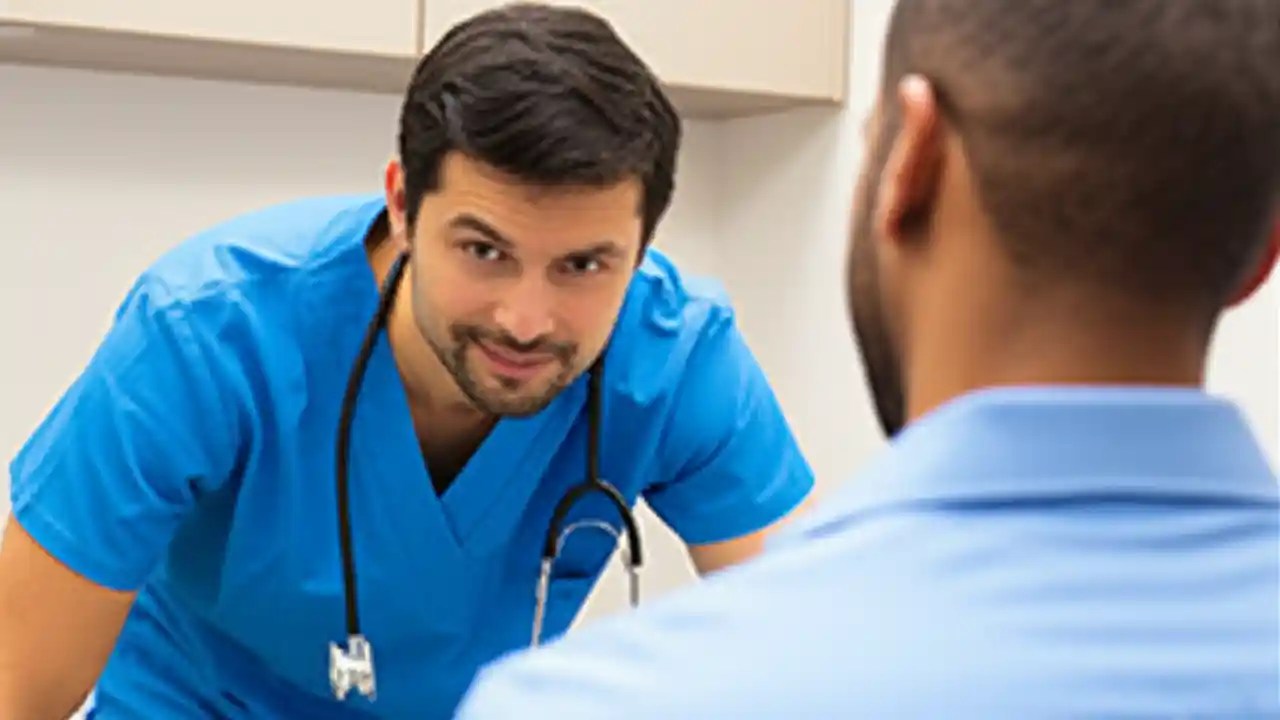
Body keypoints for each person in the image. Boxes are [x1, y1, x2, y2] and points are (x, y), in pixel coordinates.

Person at [453, 0, 1280, 717]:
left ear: (913, 160)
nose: (525, 320)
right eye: (485, 251)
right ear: (1263, 252)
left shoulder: (587, 703)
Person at [0, 4, 816, 719]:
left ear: (642, 246)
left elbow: (820, 648)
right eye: (484, 250)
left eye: (583, 265)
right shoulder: (206, 335)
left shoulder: (677, 357)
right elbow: (17, 688)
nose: (525, 321)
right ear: (401, 204)